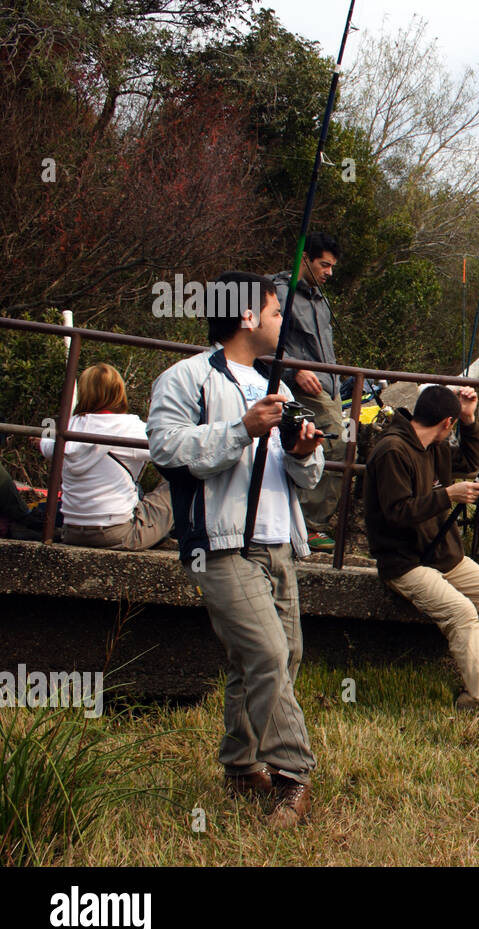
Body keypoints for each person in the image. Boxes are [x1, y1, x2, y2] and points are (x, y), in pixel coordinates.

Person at [146, 271, 325, 828]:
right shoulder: (186, 378)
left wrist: (300, 451)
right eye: (276, 312)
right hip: (221, 545)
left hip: (278, 542)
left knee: (274, 660)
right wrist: (241, 429)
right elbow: (166, 448)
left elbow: (309, 475)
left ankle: (241, 765)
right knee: (268, 656)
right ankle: (294, 778)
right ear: (248, 317)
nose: (281, 322)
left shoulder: (280, 385)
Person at [363, 383, 479, 734]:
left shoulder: (435, 446)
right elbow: (396, 513)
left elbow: (472, 461)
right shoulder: (392, 451)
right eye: (455, 424)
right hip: (405, 562)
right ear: (446, 422)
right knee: (462, 612)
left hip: (443, 555)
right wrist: (448, 495)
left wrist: (471, 419)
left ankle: (473, 695)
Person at [36, 363, 172, 550]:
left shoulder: (68, 427)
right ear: (118, 391)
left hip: (72, 532)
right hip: (118, 534)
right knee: (179, 480)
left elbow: (45, 445)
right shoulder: (131, 428)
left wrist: (38, 440)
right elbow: (174, 452)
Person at [273, 232, 343, 552]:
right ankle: (310, 524)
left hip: (330, 388)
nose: (329, 272)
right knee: (336, 440)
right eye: (324, 265)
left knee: (343, 443)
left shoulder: (321, 299)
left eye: (332, 267)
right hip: (299, 388)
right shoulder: (277, 291)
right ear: (305, 259)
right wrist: (293, 370)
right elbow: (268, 341)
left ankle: (310, 520)